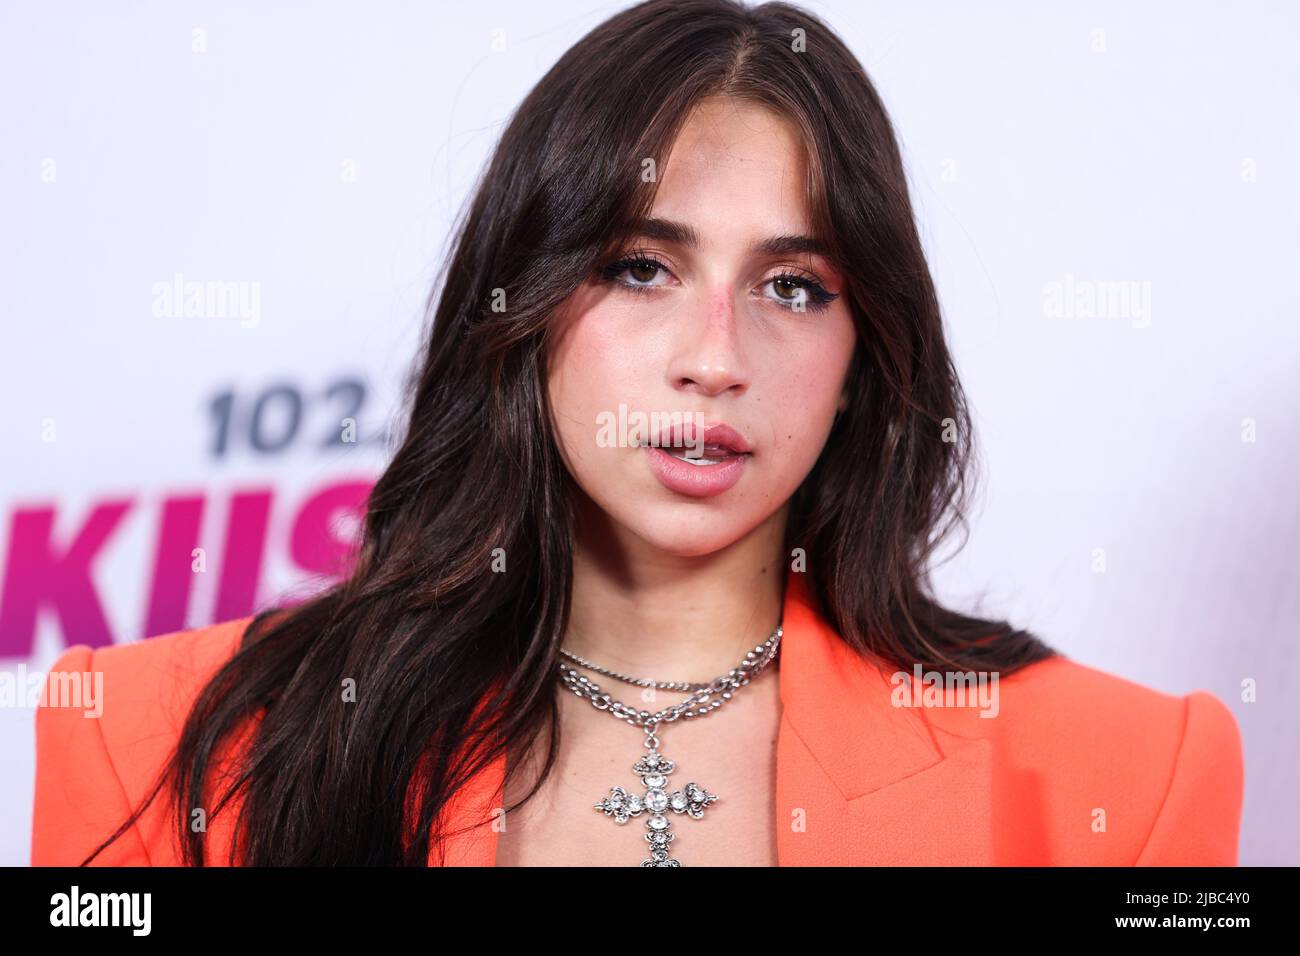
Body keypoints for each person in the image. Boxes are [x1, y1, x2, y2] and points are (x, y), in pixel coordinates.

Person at [31, 0, 1242, 867]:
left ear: (864, 358)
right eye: (640, 266)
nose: (715, 357)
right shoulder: (155, 746)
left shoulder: (1122, 776)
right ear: (521, 299)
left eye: (793, 287)